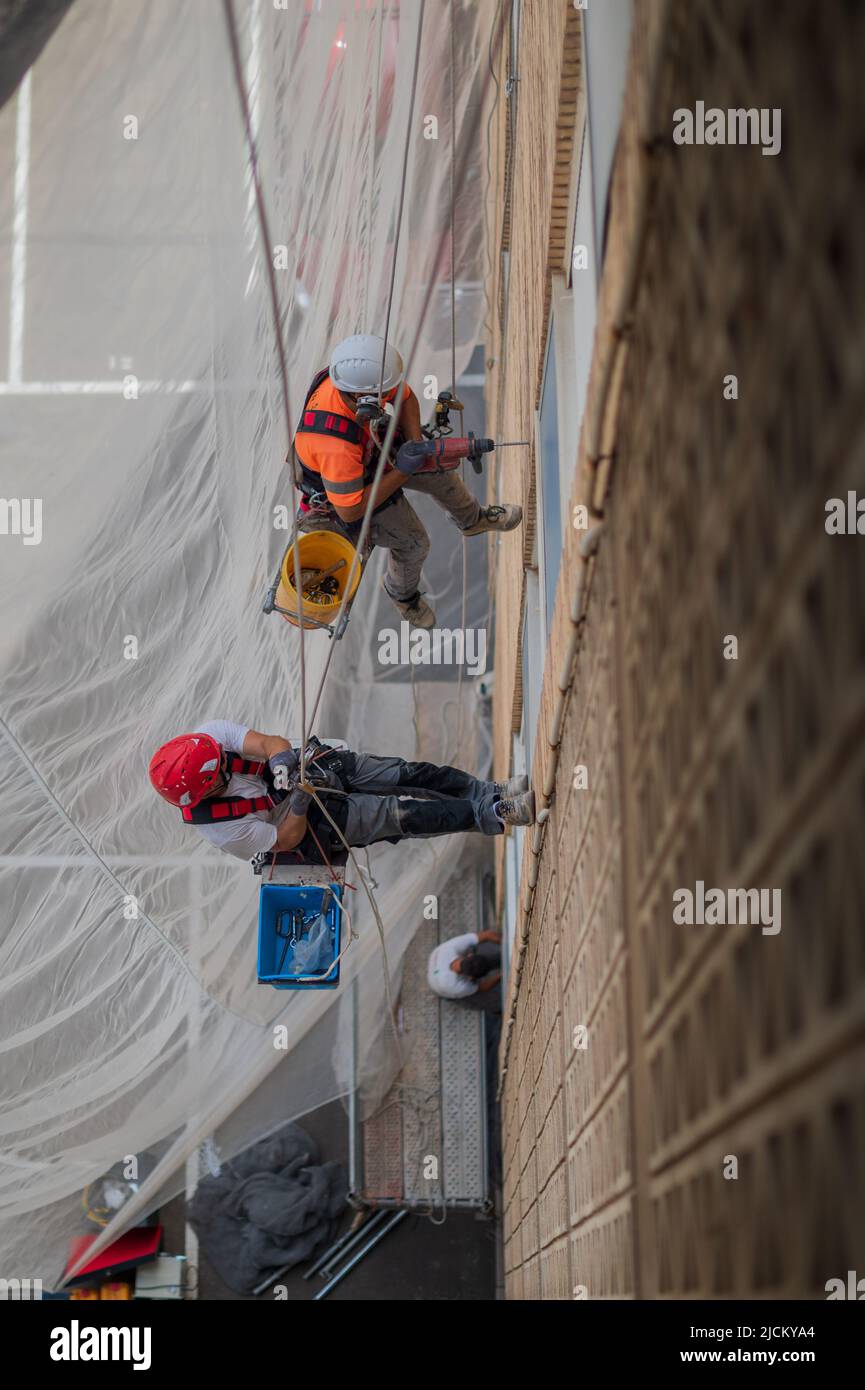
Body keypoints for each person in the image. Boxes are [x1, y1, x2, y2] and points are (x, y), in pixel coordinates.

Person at [293, 333, 523, 629]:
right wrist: (402, 470)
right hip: (345, 495)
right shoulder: (334, 445)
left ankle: (473, 519)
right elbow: (351, 510)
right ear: (361, 400)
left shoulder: (360, 382)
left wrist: (416, 446)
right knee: (415, 543)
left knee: (438, 472)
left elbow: (405, 396)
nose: (389, 392)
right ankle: (402, 595)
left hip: (369, 449)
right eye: (383, 392)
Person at [148, 720, 534, 863]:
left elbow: (269, 742)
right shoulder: (221, 830)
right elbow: (284, 839)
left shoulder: (209, 740)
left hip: (313, 767)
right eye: (218, 770)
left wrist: (282, 762)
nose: (224, 761)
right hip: (310, 822)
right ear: (206, 789)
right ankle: (497, 813)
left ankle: (487, 790)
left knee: (405, 772)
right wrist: (298, 800)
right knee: (402, 815)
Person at [427, 930, 502, 1007]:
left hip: (437, 959)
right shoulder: (457, 987)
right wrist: (502, 975)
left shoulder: (452, 947)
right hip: (439, 988)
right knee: (494, 1001)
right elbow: (483, 988)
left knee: (491, 955)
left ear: (470, 955)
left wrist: (507, 944)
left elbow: (487, 934)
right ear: (470, 978)